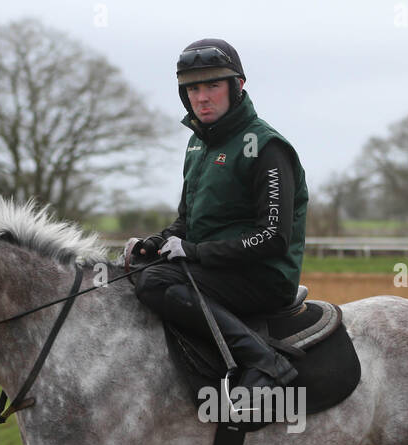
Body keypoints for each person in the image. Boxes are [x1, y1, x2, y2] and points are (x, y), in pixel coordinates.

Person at [129, 38, 309, 396]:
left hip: (263, 276)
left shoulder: (267, 146)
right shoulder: (199, 145)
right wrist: (158, 242)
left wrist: (194, 253)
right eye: (193, 88)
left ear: (237, 86)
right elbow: (187, 222)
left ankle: (264, 362)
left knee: (155, 283)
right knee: (136, 272)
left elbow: (274, 237)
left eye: (213, 85)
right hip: (218, 269)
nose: (202, 97)